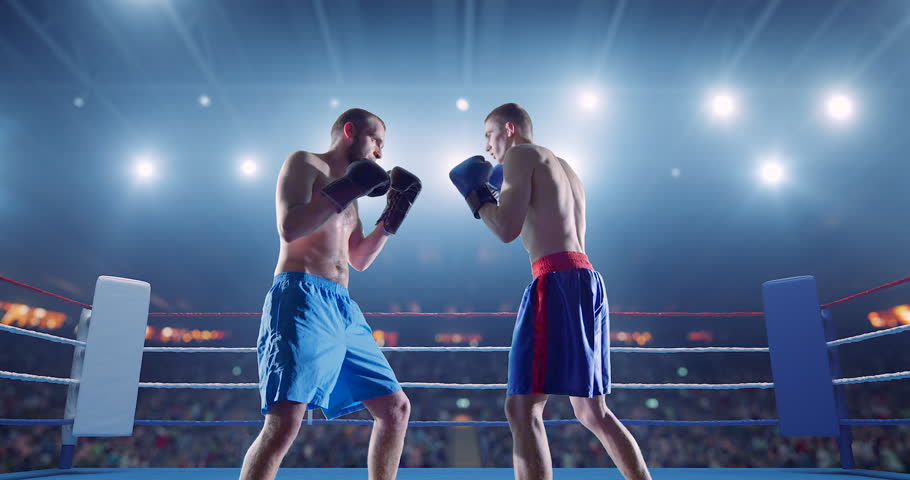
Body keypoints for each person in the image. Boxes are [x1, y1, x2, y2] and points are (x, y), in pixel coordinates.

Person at [449, 103, 652, 480]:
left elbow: (506, 230)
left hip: (555, 279)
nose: (489, 147)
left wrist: (476, 197)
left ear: (509, 129)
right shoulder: (564, 167)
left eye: (490, 136)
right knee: (593, 412)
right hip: (586, 278)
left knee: (521, 407)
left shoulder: (521, 155)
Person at [240, 108, 421, 480]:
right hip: (301, 296)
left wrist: (392, 216)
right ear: (350, 131)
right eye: (376, 141)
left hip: (343, 308)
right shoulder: (303, 163)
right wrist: (348, 188)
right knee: (285, 424)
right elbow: (290, 227)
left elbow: (358, 259)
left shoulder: (350, 195)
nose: (380, 155)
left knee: (395, 409)